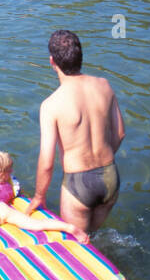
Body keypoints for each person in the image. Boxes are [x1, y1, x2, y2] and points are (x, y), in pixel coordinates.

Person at [25, 31, 126, 235]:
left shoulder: (51, 104)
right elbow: (120, 133)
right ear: (80, 57)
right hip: (110, 177)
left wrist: (38, 196)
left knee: (75, 248)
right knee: (92, 240)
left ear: (52, 61)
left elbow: (47, 162)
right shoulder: (104, 85)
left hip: (79, 184)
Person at [0, 151, 87, 280]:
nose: (11, 172)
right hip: (4, 209)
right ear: (1, 174)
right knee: (36, 224)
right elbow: (10, 196)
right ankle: (69, 228)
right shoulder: (7, 186)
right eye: (9, 171)